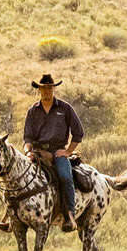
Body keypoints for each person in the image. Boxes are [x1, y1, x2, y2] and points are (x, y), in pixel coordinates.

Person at [22, 73, 84, 232]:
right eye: (43, 88)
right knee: (19, 175)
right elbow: (27, 137)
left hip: (58, 152)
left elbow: (78, 132)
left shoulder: (65, 108)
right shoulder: (33, 111)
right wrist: (28, 152)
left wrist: (68, 152)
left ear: (53, 89)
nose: (46, 91)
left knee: (65, 176)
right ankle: (12, 215)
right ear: (39, 90)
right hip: (37, 152)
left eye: (49, 88)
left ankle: (70, 214)